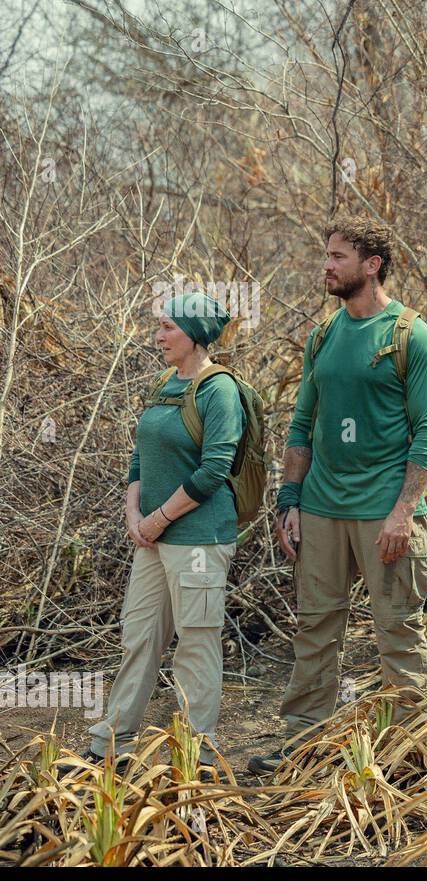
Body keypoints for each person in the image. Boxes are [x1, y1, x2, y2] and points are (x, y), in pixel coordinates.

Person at [249, 216, 427, 774]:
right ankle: (302, 743)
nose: (326, 266)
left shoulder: (412, 335)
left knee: (397, 628)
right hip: (321, 508)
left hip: (384, 511)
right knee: (315, 626)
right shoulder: (324, 336)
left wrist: (403, 512)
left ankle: (411, 753)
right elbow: (301, 425)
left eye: (338, 257)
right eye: (326, 255)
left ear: (372, 265)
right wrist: (289, 502)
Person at [84, 292, 243, 771]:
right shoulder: (163, 384)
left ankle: (197, 754)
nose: (158, 336)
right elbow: (141, 455)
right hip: (151, 538)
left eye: (169, 328)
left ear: (195, 335)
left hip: (197, 540)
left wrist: (158, 519)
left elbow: (215, 468)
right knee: (139, 636)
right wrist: (134, 511)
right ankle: (111, 744)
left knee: (196, 641)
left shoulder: (219, 391)